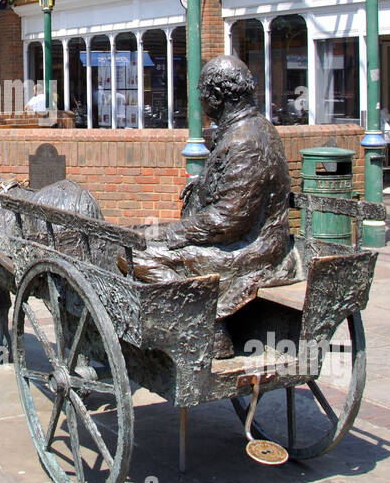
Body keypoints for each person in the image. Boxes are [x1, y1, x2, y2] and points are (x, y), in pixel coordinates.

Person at [124, 56, 298, 355]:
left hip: (249, 248)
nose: (201, 101)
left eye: (202, 94)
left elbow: (227, 220)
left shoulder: (246, 139)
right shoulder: (245, 129)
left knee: (134, 255)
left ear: (216, 97)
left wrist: (169, 233)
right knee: (137, 236)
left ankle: (204, 327)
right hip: (241, 237)